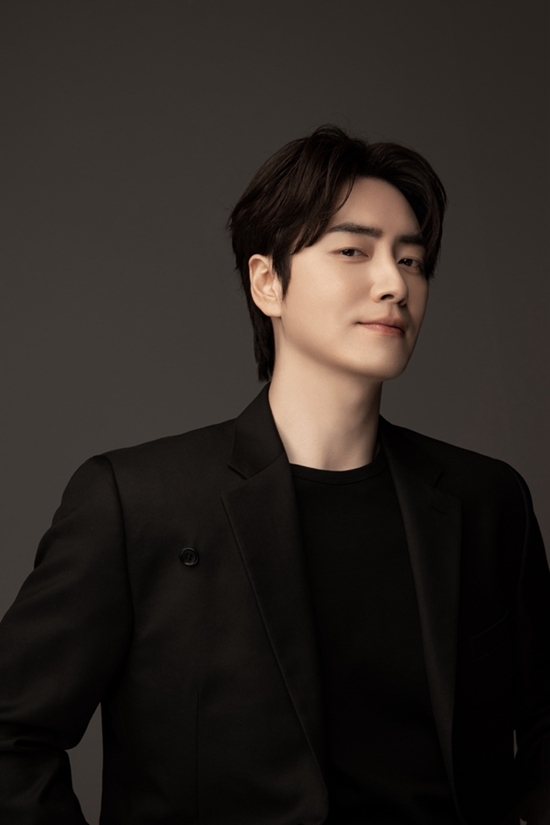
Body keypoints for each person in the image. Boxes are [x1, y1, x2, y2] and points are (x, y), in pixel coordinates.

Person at [0, 125, 548, 825]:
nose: (395, 284)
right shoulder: (136, 502)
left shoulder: (487, 500)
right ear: (268, 282)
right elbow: (11, 737)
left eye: (412, 260)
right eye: (353, 250)